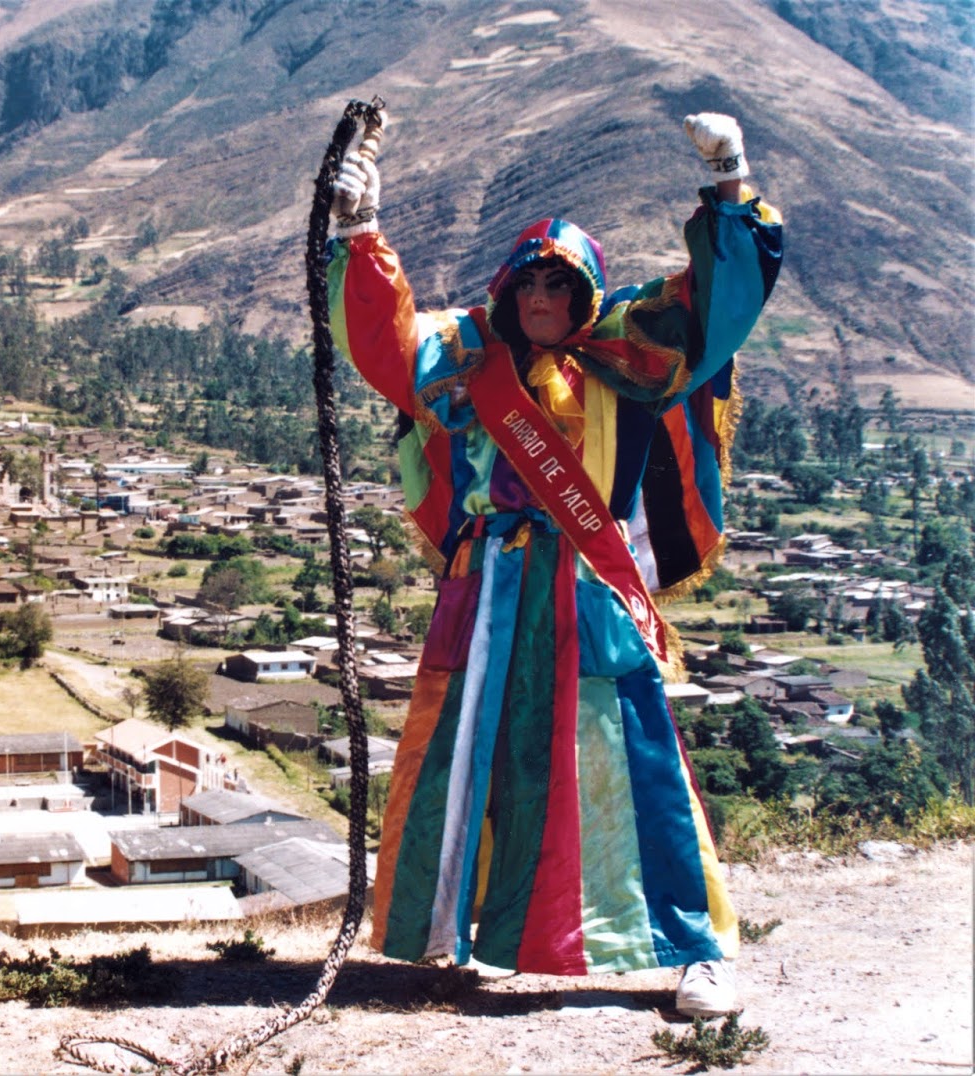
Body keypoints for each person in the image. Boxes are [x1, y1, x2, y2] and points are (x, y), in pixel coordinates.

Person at [325, 111, 782, 1017]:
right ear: (508, 285)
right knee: (470, 752)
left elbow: (720, 307)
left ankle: (697, 948)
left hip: (588, 588)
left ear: (588, 293)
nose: (542, 295)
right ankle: (457, 933)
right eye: (529, 278)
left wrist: (731, 180)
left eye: (560, 282)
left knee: (631, 758)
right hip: (490, 586)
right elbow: (383, 342)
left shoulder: (634, 356)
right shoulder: (465, 358)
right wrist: (359, 227)